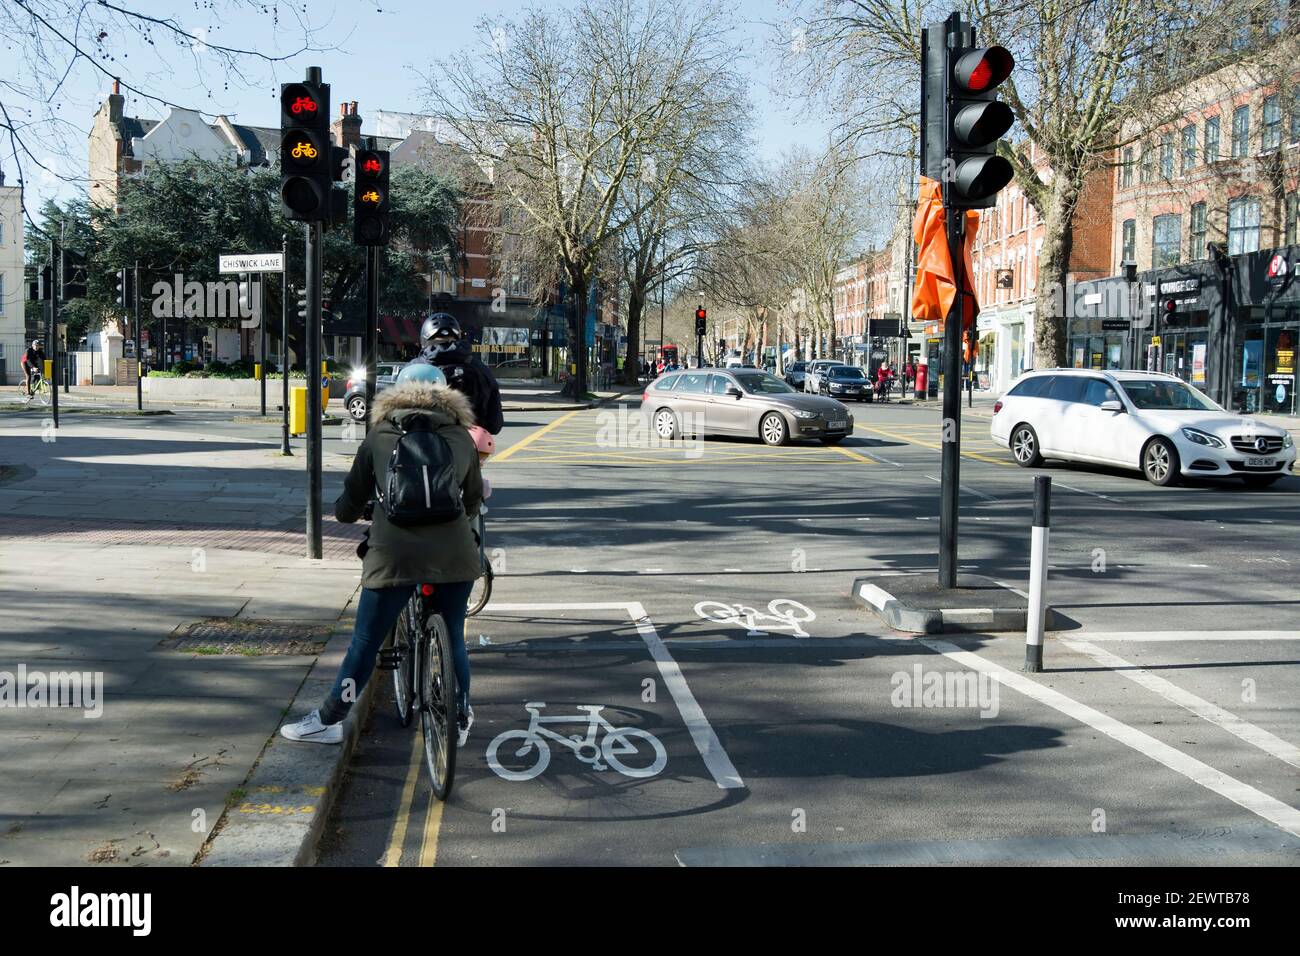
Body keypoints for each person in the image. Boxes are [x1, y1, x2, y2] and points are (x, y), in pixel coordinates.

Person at [281, 363, 484, 747]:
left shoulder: (380, 435)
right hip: (454, 555)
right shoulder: (461, 437)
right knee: (453, 635)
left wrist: (347, 511)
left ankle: (329, 720)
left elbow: (350, 501)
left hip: (393, 556)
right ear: (446, 397)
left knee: (365, 642)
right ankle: (459, 716)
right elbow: (472, 499)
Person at [409, 313, 504, 435]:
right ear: (457, 336)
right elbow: (494, 425)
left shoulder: (413, 368)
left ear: (424, 338)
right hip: (466, 446)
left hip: (420, 446)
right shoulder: (480, 370)